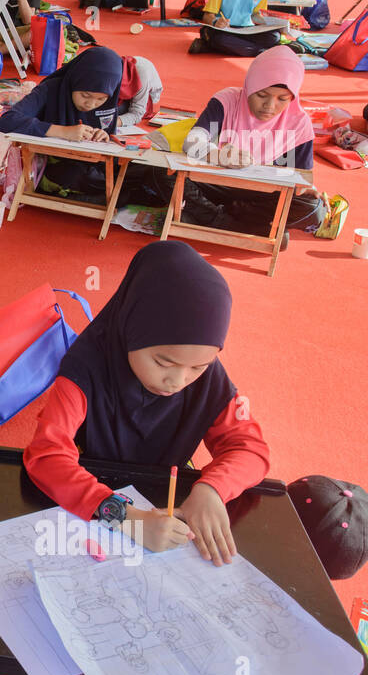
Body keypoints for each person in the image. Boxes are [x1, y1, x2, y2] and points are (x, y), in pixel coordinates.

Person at [23, 240, 269, 565]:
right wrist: (124, 518)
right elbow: (46, 454)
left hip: (164, 503)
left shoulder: (210, 377)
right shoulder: (84, 368)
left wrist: (212, 489)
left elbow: (250, 449)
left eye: (198, 367)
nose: (178, 381)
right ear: (131, 328)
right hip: (93, 493)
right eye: (164, 363)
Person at [177, 44, 326, 235]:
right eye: (261, 95)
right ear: (249, 86)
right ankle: (245, 227)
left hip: (260, 195)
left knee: (313, 208)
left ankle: (208, 217)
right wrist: (217, 155)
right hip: (216, 184)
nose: (269, 106)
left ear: (293, 98)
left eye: (282, 99)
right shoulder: (227, 101)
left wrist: (308, 188)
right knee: (163, 173)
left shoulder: (298, 122)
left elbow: (300, 176)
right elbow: (192, 141)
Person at [0, 46, 124, 202]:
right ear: (75, 80)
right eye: (85, 95)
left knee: (138, 171)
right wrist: (62, 131)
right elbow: (8, 120)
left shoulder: (108, 103)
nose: (91, 104)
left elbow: (113, 147)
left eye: (101, 99)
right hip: (52, 166)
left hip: (93, 166)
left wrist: (105, 136)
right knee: (77, 176)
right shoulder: (51, 89)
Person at [117, 55, 163, 127]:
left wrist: (114, 123)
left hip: (148, 96)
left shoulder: (140, 77)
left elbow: (136, 114)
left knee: (115, 112)